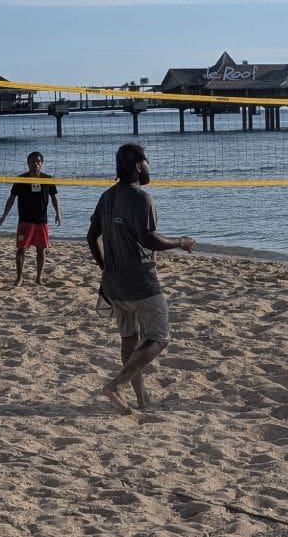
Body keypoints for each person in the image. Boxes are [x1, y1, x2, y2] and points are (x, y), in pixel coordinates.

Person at [87, 143, 196, 414]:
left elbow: (91, 237)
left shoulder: (107, 196)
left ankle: (141, 399)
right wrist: (179, 241)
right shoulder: (141, 198)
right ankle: (116, 385)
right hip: (141, 283)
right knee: (160, 337)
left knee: (129, 340)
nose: (149, 166)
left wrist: (106, 267)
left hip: (114, 285)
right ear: (138, 165)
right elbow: (148, 239)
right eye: (147, 161)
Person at [0, 151, 61, 287]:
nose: (35, 163)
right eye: (33, 161)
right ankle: (19, 278)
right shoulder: (21, 179)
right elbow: (11, 199)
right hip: (25, 220)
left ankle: (38, 278)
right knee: (21, 249)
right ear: (28, 163)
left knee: (41, 250)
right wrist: (3, 216)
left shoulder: (47, 179)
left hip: (41, 220)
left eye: (38, 161)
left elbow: (54, 198)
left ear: (41, 163)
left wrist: (58, 213)